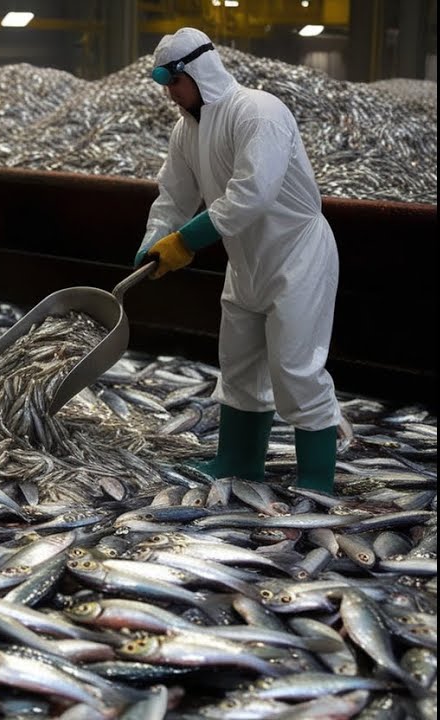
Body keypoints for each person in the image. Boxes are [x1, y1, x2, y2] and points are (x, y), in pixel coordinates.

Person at [133, 27, 342, 492]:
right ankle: (238, 464)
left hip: (296, 255)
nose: (170, 94)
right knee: (240, 366)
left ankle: (316, 482)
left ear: (197, 71)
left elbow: (253, 194)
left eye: (173, 82)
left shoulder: (259, 111)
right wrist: (153, 241)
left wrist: (186, 240)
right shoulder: (187, 130)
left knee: (296, 368)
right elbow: (174, 194)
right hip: (245, 261)